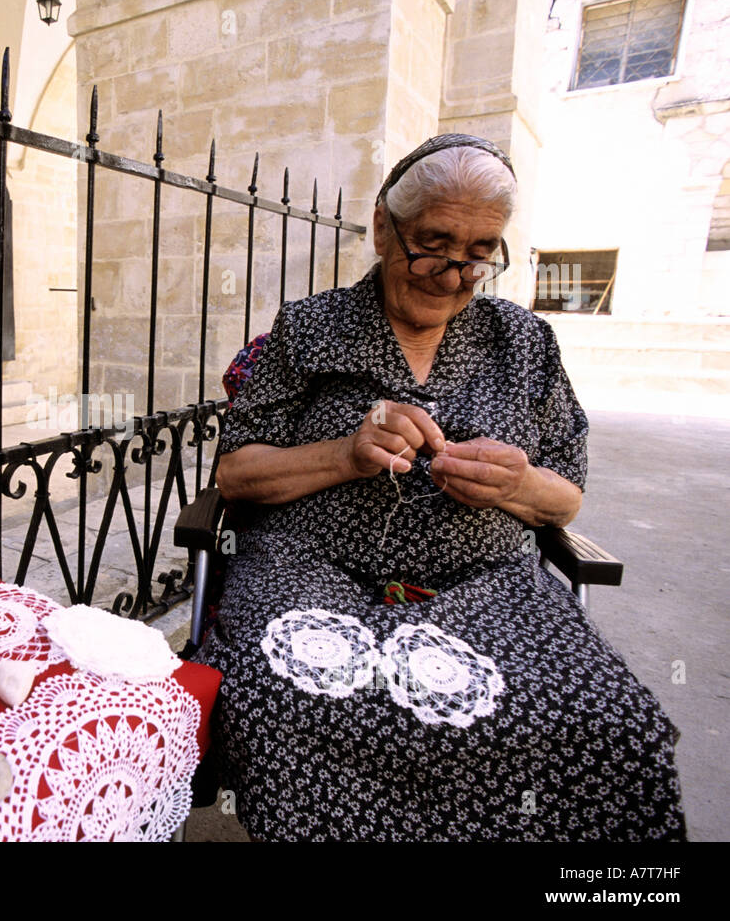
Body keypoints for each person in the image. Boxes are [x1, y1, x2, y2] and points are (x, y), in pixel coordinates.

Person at [198, 133, 686, 841]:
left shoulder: (524, 343)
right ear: (380, 227)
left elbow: (566, 497)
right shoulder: (308, 330)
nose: (453, 274)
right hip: (310, 575)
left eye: (480, 252)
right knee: (283, 696)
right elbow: (235, 472)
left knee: (611, 721)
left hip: (485, 584)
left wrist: (516, 485)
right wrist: (346, 454)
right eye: (433, 243)